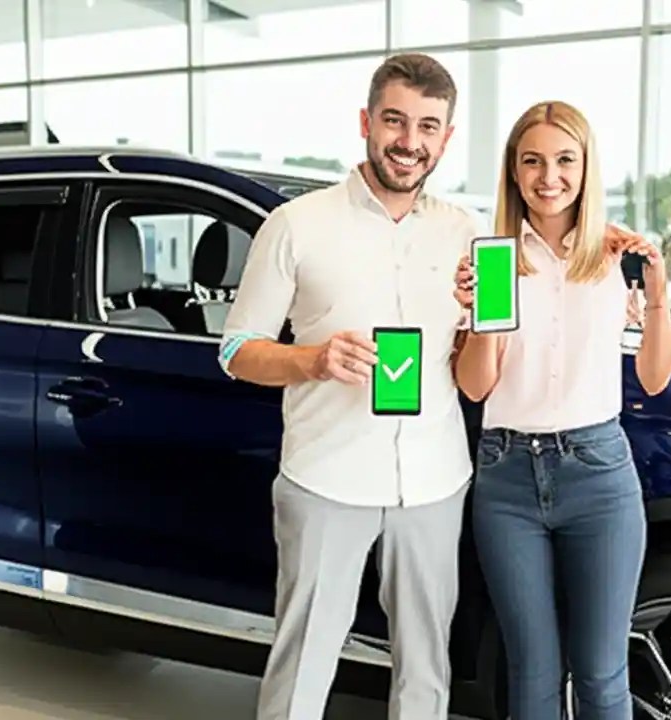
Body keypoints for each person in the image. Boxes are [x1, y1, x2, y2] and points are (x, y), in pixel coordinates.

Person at [219, 52, 486, 720]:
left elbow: (471, 365)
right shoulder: (296, 224)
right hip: (325, 479)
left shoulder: (467, 232)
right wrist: (310, 360)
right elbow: (234, 351)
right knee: (304, 662)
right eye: (395, 120)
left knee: (426, 671)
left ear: (446, 139)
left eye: (428, 127)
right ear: (366, 121)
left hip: (433, 480)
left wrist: (482, 324)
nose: (409, 141)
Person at [450, 100, 671, 719]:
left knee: (602, 673)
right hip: (507, 476)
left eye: (563, 160)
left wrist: (657, 295)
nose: (548, 177)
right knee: (532, 672)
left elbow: (654, 380)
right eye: (532, 162)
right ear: (514, 172)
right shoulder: (495, 257)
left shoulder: (618, 257)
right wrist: (479, 320)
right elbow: (475, 387)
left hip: (598, 473)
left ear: (586, 166)